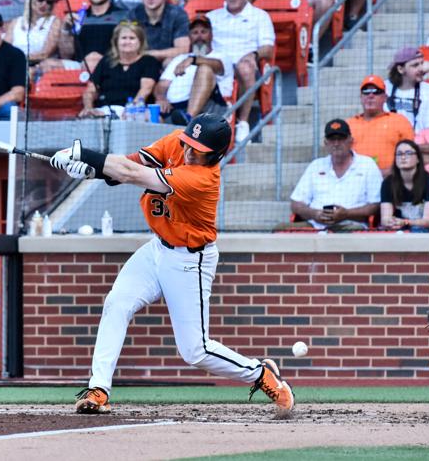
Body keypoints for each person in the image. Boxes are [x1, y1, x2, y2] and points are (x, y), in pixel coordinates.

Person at [48, 114, 295, 416]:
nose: (188, 151)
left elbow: (132, 174)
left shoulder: (203, 179)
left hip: (190, 260)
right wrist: (95, 171)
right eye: (188, 143)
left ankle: (260, 373)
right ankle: (98, 389)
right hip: (157, 248)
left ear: (216, 155)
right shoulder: (178, 141)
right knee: (117, 302)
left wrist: (85, 155)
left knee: (195, 351)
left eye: (198, 150)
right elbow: (131, 164)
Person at [207, 0, 274, 142]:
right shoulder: (212, 17)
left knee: (246, 67)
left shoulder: (260, 16)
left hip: (244, 62)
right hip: (219, 64)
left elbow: (268, 48)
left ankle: (242, 122)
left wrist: (254, 54)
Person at [283, 119, 381, 232]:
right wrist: (314, 213)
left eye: (341, 138)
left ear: (351, 141)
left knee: (346, 232)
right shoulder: (316, 165)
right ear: (326, 143)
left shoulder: (367, 164)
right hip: (315, 225)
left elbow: (376, 205)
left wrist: (347, 214)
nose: (336, 143)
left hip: (351, 225)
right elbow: (296, 203)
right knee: (279, 229)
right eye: (332, 139)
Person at [154, 15, 233, 124]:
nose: (199, 36)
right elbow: (162, 85)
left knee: (205, 69)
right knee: (147, 117)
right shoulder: (179, 58)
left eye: (203, 32)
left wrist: (193, 60)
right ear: (189, 37)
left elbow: (218, 66)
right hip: (174, 109)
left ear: (211, 35)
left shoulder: (221, 56)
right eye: (195, 33)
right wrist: (161, 98)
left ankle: (189, 118)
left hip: (208, 109)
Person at [43, 0, 125, 74]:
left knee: (93, 61)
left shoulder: (122, 15)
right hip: (80, 65)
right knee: (47, 65)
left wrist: (102, 60)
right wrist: (66, 29)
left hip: (112, 64)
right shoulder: (78, 16)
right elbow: (66, 54)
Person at [80, 21, 160, 118]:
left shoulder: (149, 61)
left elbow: (145, 90)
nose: (127, 42)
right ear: (116, 41)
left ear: (140, 41)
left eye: (132, 38)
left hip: (135, 110)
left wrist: (130, 109)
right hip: (106, 110)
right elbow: (91, 90)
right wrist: (88, 108)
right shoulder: (106, 61)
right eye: (123, 38)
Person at [347, 75, 414, 176]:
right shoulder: (349, 124)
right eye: (366, 92)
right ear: (361, 97)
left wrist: (383, 174)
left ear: (385, 98)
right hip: (356, 181)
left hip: (391, 180)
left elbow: (411, 155)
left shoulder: (399, 121)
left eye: (376, 92)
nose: (370, 95)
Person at [379, 140, 429, 231]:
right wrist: (390, 222)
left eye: (408, 153)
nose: (403, 157)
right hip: (398, 231)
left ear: (418, 159)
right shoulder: (388, 183)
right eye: (399, 154)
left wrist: (405, 222)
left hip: (427, 233)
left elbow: (427, 221)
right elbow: (385, 218)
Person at [129, 0, 190, 65]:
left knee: (170, 62)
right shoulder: (134, 14)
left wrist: (149, 54)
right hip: (141, 64)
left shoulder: (178, 14)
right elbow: (127, 44)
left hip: (166, 63)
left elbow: (183, 49)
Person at [384, 47, 429, 133]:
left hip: (420, 140)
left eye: (422, 63)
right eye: (415, 65)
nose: (421, 68)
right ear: (400, 69)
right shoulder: (385, 88)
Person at [4, 0, 62, 65]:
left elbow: (44, 54)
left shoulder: (55, 22)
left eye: (49, 2)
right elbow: (5, 49)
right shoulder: (16, 22)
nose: (44, 4)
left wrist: (17, 59)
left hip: (39, 65)